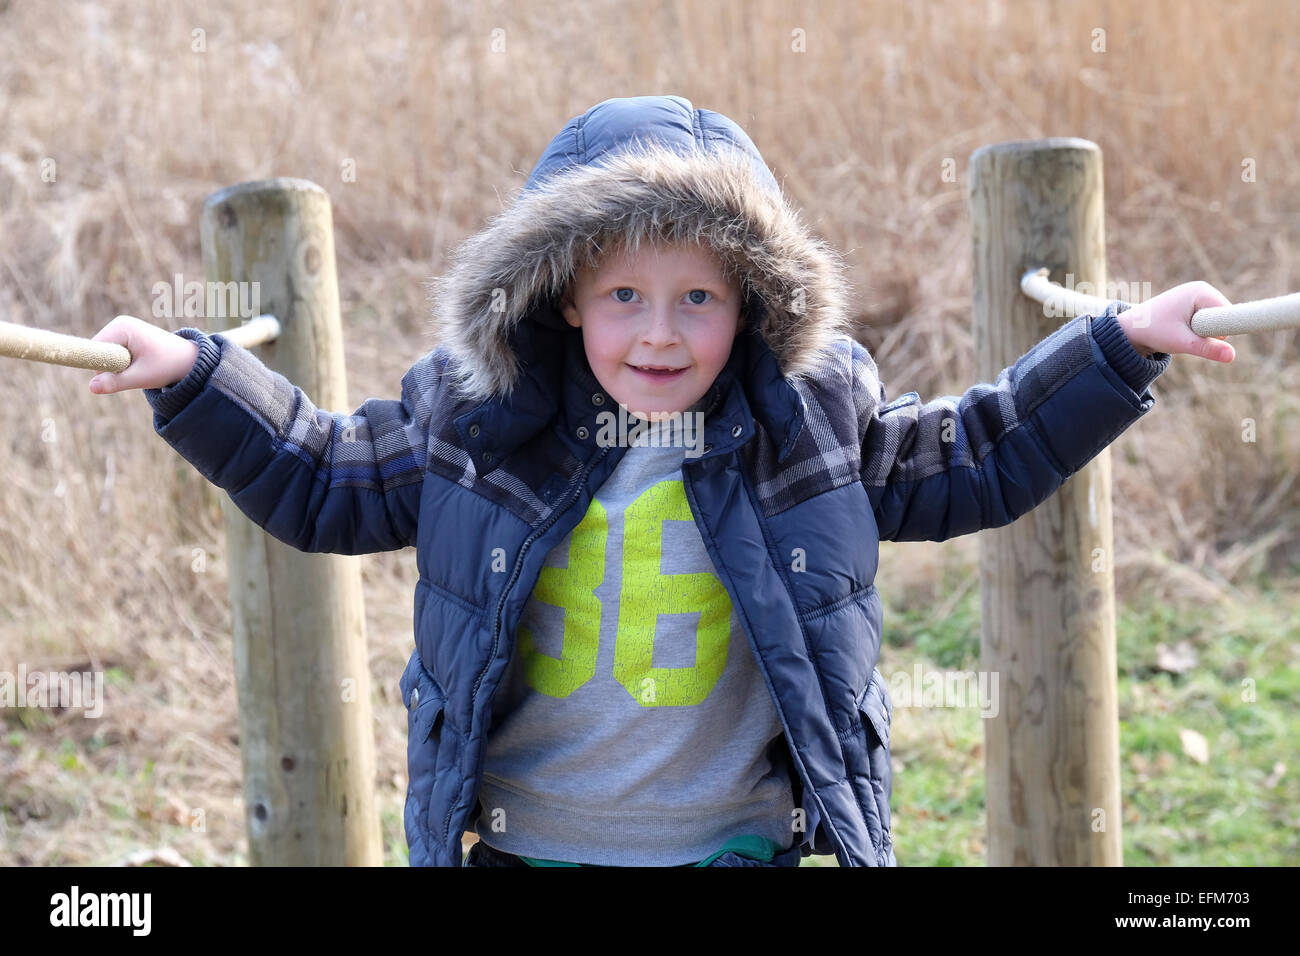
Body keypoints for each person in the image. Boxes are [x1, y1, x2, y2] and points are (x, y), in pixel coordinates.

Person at [89, 94, 1234, 867]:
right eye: (625, 295)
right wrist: (196, 374)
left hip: (737, 843)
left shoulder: (804, 418)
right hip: (525, 841)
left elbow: (972, 454)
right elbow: (326, 476)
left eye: (699, 297)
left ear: (751, 306)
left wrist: (1117, 344)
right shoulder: (480, 419)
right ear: (564, 296)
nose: (660, 332)